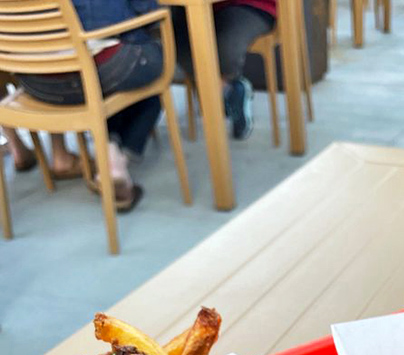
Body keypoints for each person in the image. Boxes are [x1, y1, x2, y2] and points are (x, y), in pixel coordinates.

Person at [16, 0, 164, 210]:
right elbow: (148, 9)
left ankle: (110, 151)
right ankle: (115, 159)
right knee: (152, 65)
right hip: (99, 70)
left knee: (116, 82)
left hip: (36, 83)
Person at [172, 0, 277, 141]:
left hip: (249, 4)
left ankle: (223, 91)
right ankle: (228, 90)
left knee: (225, 49)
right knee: (172, 39)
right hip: (194, 8)